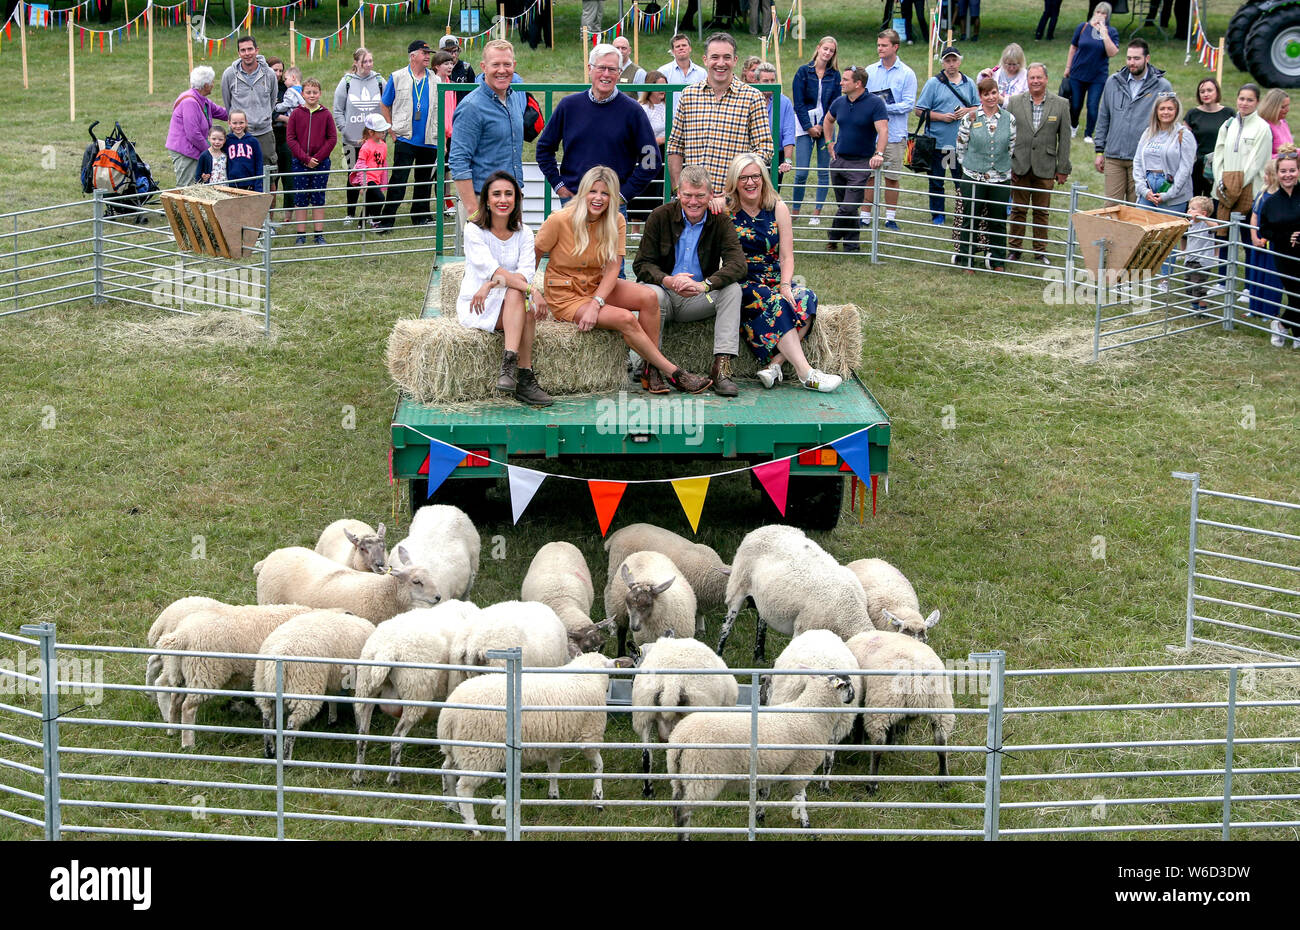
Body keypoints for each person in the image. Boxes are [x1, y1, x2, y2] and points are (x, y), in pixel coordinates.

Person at [538, 166, 713, 394]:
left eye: (605, 193)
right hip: (566, 294)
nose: (599, 198)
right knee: (625, 318)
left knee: (649, 297)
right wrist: (531, 292)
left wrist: (596, 302)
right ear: (583, 193)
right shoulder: (559, 220)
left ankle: (650, 371)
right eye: (593, 191)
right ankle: (674, 372)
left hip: (596, 285)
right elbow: (532, 256)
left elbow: (613, 267)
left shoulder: (617, 220)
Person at [725, 153, 841, 393]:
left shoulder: (778, 208)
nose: (750, 182)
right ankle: (806, 373)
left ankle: (775, 365)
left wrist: (786, 284)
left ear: (764, 178)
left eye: (755, 176)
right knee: (776, 302)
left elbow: (787, 256)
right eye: (743, 177)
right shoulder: (727, 211)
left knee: (805, 297)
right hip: (743, 282)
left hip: (774, 278)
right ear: (735, 181)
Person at [633, 165, 743, 395]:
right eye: (688, 195)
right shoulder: (660, 216)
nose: (693, 202)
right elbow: (641, 265)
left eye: (700, 196)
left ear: (711, 195)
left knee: (733, 290)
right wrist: (668, 280)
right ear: (678, 193)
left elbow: (738, 264)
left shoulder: (720, 221)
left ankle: (721, 368)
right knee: (652, 293)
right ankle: (651, 367)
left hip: (698, 297)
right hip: (662, 296)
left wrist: (705, 285)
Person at [457, 170, 552, 406]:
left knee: (517, 293)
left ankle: (510, 367)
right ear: (487, 201)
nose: (503, 199)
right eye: (496, 194)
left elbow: (523, 273)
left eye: (509, 194)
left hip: (508, 299)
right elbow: (493, 270)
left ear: (516, 199)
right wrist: (532, 290)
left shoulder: (525, 233)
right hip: (478, 304)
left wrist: (494, 283)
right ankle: (523, 375)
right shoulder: (474, 230)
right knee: (522, 297)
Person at [535, 44, 659, 211]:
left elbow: (651, 160)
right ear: (589, 69)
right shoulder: (568, 106)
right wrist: (559, 186)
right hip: (573, 201)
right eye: (601, 68)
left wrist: (624, 194)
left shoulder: (633, 111)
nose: (606, 74)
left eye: (612, 69)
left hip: (613, 204)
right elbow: (544, 149)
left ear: (620, 73)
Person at [665, 32, 772, 197]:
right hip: (694, 200)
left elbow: (764, 148)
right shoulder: (688, 95)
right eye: (715, 57)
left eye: (727, 57)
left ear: (735, 60)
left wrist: (736, 185)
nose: (721, 63)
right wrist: (678, 189)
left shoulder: (752, 97)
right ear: (705, 60)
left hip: (734, 199)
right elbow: (675, 146)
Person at [449, 40, 528, 228]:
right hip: (481, 202)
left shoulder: (514, 99)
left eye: (507, 64)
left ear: (514, 66)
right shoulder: (471, 107)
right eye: (496, 65)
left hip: (511, 199)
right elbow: (458, 160)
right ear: (484, 67)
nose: (502, 70)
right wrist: (473, 211)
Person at [1005, 63, 1070, 264]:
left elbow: (1065, 139)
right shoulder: (1014, 103)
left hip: (1046, 167)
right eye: (1032, 78)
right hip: (1020, 165)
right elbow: (1006, 135)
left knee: (1042, 212)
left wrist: (1062, 169)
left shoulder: (1060, 104)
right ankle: (1014, 249)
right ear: (1027, 80)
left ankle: (1040, 251)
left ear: (1046, 79)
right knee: (1018, 210)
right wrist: (1008, 165)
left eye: (1039, 77)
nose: (1035, 81)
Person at [1093, 39, 1172, 204]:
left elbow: (1168, 122)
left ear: (1147, 59)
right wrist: (1099, 151)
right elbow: (1104, 117)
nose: (1132, 62)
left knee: (1134, 209)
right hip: (1114, 156)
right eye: (1129, 58)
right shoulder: (1113, 82)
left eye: (1136, 58)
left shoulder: (1162, 86)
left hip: (1143, 159)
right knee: (1111, 208)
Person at [823, 65, 888, 253]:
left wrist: (879, 153)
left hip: (861, 162)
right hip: (839, 160)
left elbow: (883, 130)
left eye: (845, 79)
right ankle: (851, 245)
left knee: (849, 206)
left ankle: (833, 236)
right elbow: (828, 120)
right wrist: (829, 142)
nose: (841, 82)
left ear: (858, 83)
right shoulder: (839, 102)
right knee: (845, 207)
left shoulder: (875, 103)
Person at [955, 77, 1017, 271]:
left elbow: (1011, 147)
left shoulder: (1009, 118)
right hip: (973, 176)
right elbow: (961, 146)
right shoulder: (971, 117)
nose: (991, 97)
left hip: (1001, 176)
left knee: (998, 220)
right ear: (980, 96)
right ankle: (967, 260)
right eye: (986, 94)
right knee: (970, 218)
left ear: (998, 94)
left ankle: (998, 260)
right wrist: (971, 166)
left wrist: (1000, 165)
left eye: (994, 93)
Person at [377, 40, 439, 230]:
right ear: (413, 56)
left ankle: (420, 216)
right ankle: (387, 220)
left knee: (424, 180)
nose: (428, 56)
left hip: (429, 138)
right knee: (399, 179)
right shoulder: (397, 77)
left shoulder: (436, 79)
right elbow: (384, 104)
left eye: (429, 53)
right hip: (405, 136)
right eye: (424, 53)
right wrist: (390, 128)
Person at [915, 45, 979, 227]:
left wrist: (966, 111)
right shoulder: (933, 84)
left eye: (954, 60)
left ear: (960, 61)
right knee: (936, 181)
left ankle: (963, 213)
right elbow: (919, 111)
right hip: (938, 144)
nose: (951, 64)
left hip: (961, 144)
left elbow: (978, 108)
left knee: (961, 182)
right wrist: (942, 117)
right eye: (947, 61)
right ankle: (938, 214)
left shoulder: (969, 83)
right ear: (942, 63)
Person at [863, 29, 917, 231]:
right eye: (878, 45)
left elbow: (909, 104)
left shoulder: (907, 73)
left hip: (894, 134)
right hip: (871, 134)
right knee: (869, 175)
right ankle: (865, 215)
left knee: (892, 177)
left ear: (895, 47)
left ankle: (890, 217)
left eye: (884, 45)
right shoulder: (870, 71)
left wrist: (882, 108)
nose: (880, 49)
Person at [333, 48, 386, 228]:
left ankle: (370, 213)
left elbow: (387, 105)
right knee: (353, 175)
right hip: (352, 140)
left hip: (375, 141)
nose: (368, 65)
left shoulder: (379, 80)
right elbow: (338, 110)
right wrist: (345, 130)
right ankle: (350, 212)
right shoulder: (346, 82)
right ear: (356, 63)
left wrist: (383, 130)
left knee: (374, 176)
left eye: (370, 61)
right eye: (365, 62)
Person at [790, 35, 841, 222]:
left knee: (823, 170)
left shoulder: (835, 75)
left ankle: (817, 213)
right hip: (804, 125)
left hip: (826, 124)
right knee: (801, 171)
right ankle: (795, 211)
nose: (828, 53)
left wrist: (822, 123)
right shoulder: (803, 71)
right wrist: (809, 127)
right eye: (825, 48)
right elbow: (799, 102)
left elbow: (835, 102)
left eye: (831, 50)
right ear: (819, 48)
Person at [1256, 149, 1300, 347]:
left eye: (1292, 170)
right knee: (1295, 294)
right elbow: (1264, 229)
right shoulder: (1271, 202)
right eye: (1283, 171)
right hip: (1284, 255)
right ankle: (1284, 326)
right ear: (1277, 173)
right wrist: (1285, 236)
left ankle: (1286, 328)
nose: (1287, 175)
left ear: (1298, 171)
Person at [286, 78, 337, 246]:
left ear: (320, 94)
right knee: (300, 197)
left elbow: (332, 139)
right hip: (300, 162)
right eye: (308, 92)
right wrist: (305, 159)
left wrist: (318, 158)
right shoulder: (296, 114)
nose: (312, 95)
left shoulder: (326, 114)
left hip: (321, 163)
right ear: (302, 94)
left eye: (315, 92)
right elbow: (291, 138)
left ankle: (318, 234)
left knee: (318, 197)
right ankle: (301, 234)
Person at [1212, 84, 1272, 223]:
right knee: (1222, 239)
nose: (1244, 103)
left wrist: (1236, 187)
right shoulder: (1228, 125)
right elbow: (1218, 156)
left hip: (1250, 192)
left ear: (1257, 102)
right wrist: (1222, 182)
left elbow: (1255, 163)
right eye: (1241, 99)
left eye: (1250, 100)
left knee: (1248, 239)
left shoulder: (1262, 128)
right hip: (1224, 190)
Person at [1133, 92, 1197, 217]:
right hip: (1148, 189)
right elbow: (1138, 161)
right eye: (1162, 108)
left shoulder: (1184, 135)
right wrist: (1142, 189)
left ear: (1176, 111)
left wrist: (1169, 193)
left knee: (1166, 234)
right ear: (1156, 111)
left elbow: (1185, 168)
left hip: (1172, 191)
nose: (1165, 112)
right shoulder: (1148, 132)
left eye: (1170, 109)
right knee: (1142, 231)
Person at [165, 66, 230, 187]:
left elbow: (221, 112)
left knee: (198, 186)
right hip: (185, 151)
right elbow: (193, 134)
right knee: (188, 187)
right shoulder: (190, 102)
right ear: (205, 85)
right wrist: (210, 151)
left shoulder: (202, 99)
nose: (213, 84)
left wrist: (239, 116)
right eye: (212, 82)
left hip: (194, 149)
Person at [220, 35, 278, 168]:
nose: (247, 53)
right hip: (239, 133)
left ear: (257, 50)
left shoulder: (269, 74)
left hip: (264, 132)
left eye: (250, 49)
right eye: (243, 50)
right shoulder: (229, 74)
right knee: (240, 171)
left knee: (269, 172)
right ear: (238, 53)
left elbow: (272, 101)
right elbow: (227, 103)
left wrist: (263, 116)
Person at [1063, 2, 1118, 143]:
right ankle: (1073, 126)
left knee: (1093, 106)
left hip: (1097, 76)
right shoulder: (1083, 27)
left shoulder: (1111, 32)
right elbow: (1073, 48)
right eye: (1098, 12)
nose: (1100, 15)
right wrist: (1068, 68)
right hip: (1078, 73)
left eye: (1104, 13)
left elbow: (1112, 52)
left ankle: (1089, 133)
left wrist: (1104, 34)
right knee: (1075, 104)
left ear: (1108, 16)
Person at [1245, 163, 1285, 341]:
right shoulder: (1262, 194)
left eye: (1267, 174)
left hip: (1272, 241)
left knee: (1271, 276)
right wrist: (1254, 235)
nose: (1265, 177)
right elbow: (1254, 215)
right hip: (1258, 239)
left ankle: (1269, 310)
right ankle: (1254, 308)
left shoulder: (1280, 197)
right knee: (1256, 274)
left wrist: (1267, 238)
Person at [631, 72, 669, 232]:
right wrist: (661, 139)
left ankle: (653, 226)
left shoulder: (669, 106)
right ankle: (635, 229)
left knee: (659, 189)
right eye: (659, 86)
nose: (663, 90)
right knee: (643, 187)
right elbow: (637, 135)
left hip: (664, 153)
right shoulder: (642, 108)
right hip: (646, 152)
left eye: (665, 86)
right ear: (650, 87)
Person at [1184, 77, 1234, 200]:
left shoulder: (1228, 113)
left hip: (1219, 165)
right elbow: (1185, 141)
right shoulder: (1192, 114)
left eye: (1209, 90)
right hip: (1197, 166)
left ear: (1217, 91)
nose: (1206, 94)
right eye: (1202, 91)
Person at [755, 63, 795, 179]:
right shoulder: (748, 100)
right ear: (757, 82)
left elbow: (788, 132)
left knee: (773, 193)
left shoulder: (784, 102)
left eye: (773, 80)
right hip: (753, 155)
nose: (770, 84)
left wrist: (787, 160)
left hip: (776, 155)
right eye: (766, 81)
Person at [352, 113, 391, 227]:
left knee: (369, 202)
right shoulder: (366, 147)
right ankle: (375, 220)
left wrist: (383, 180)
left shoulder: (383, 145)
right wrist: (363, 183)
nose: (384, 133)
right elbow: (360, 165)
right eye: (381, 131)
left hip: (377, 178)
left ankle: (361, 224)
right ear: (371, 132)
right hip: (368, 179)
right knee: (380, 198)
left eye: (384, 131)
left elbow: (383, 163)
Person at [267, 57, 293, 216]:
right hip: (270, 137)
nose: (278, 73)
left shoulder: (286, 88)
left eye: (280, 70)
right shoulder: (263, 87)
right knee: (272, 180)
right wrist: (283, 118)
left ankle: (288, 215)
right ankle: (271, 215)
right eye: (274, 70)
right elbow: (264, 111)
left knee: (289, 176)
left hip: (287, 137)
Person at [223, 111, 265, 191]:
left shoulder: (253, 141)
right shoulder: (226, 141)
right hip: (232, 184)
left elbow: (259, 163)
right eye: (234, 123)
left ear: (246, 122)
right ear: (229, 123)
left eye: (241, 123)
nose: (238, 126)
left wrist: (258, 185)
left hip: (250, 184)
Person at [440, 34, 477, 102]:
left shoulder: (466, 68)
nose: (453, 55)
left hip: (462, 108)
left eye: (455, 51)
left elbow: (474, 93)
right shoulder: (436, 69)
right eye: (448, 51)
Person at [1259, 89, 1295, 156]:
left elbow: (1291, 149)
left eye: (1288, 105)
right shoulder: (1264, 127)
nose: (1287, 110)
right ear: (1272, 108)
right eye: (1283, 107)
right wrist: (1287, 156)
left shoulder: (1283, 122)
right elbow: (1262, 157)